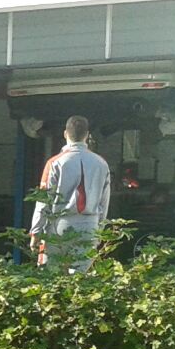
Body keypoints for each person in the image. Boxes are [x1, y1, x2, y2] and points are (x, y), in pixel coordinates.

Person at [29, 115, 112, 272]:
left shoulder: (55, 162)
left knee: (50, 278)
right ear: (87, 135)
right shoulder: (101, 163)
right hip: (89, 225)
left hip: (59, 225)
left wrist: (36, 231)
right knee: (81, 280)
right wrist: (99, 228)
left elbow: (44, 200)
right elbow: (104, 201)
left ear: (65, 134)